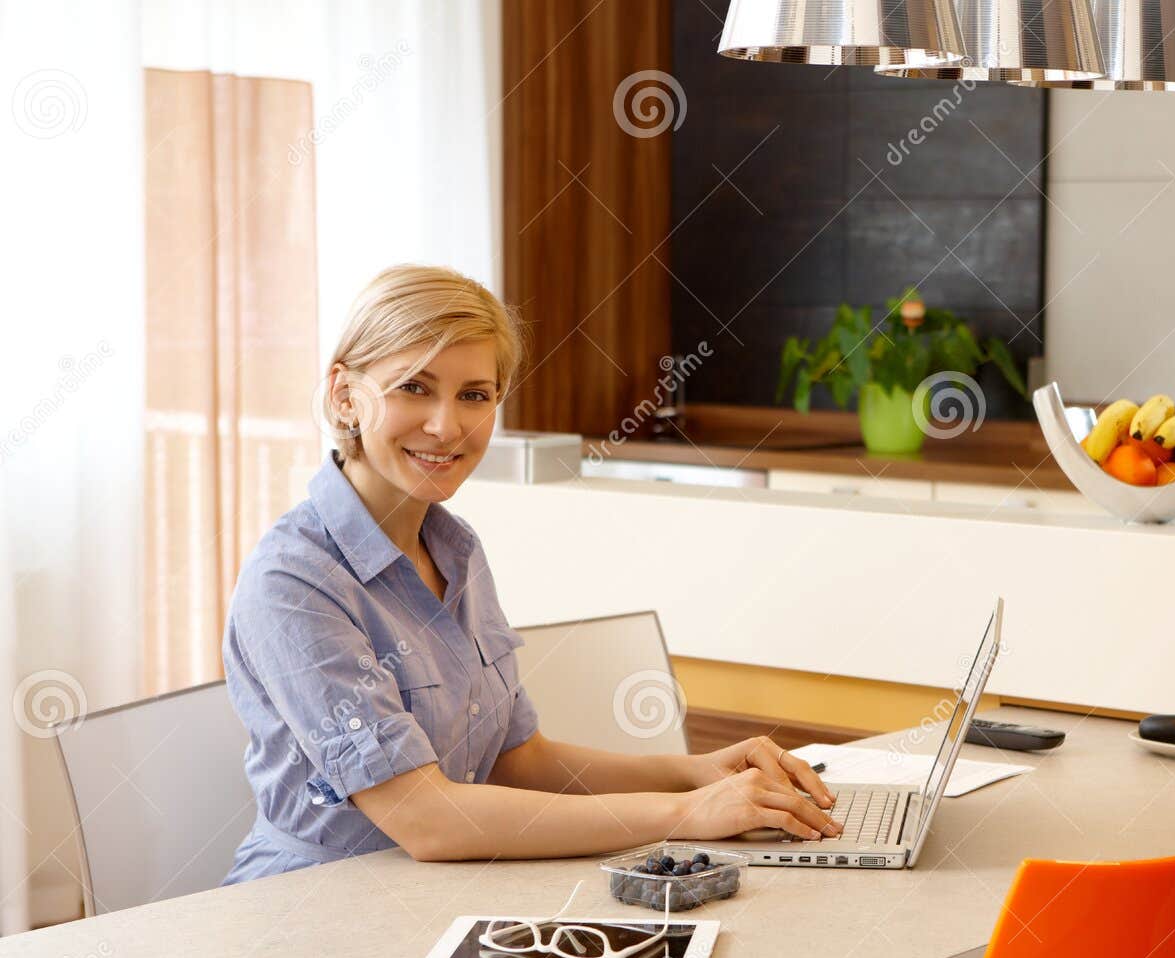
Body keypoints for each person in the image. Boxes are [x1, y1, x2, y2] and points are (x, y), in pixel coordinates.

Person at [220, 264, 840, 886]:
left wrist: (696, 772)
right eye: (413, 387)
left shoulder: (455, 549)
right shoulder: (294, 584)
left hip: (446, 894)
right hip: (313, 911)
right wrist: (683, 813)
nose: (447, 426)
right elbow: (429, 820)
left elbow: (518, 762)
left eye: (474, 395)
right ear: (344, 395)